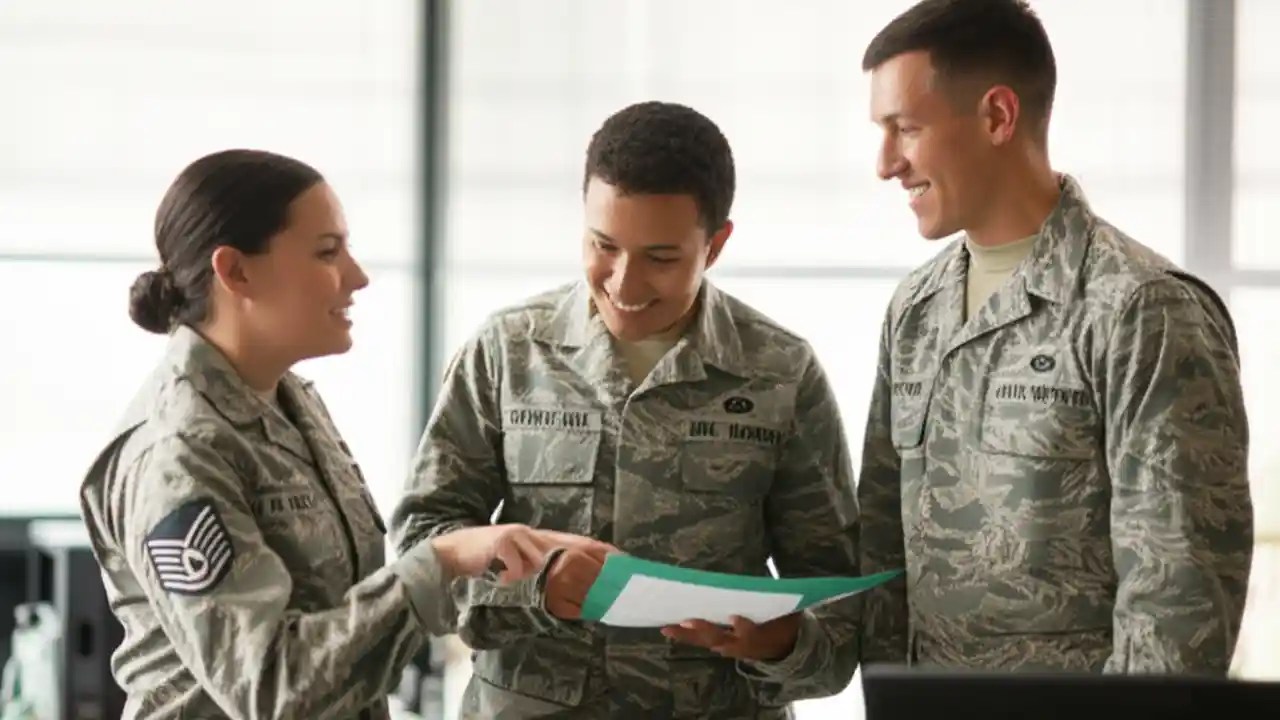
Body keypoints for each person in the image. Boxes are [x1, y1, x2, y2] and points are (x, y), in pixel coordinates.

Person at [77, 149, 609, 720]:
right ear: (235, 271)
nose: (357, 275)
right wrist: (444, 559)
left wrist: (517, 570)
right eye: (328, 252)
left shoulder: (290, 404)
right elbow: (272, 688)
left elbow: (353, 611)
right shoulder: (177, 452)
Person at [391, 101, 861, 718]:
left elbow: (842, 602)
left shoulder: (781, 371)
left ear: (716, 244)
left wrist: (783, 642)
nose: (623, 283)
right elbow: (421, 549)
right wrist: (537, 588)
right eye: (603, 245)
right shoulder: (506, 352)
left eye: (661, 259)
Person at [855, 0, 1253, 674]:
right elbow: (882, 559)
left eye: (907, 128)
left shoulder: (1142, 309)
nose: (886, 163)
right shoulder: (914, 312)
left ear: (998, 117)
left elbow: (1179, 604)